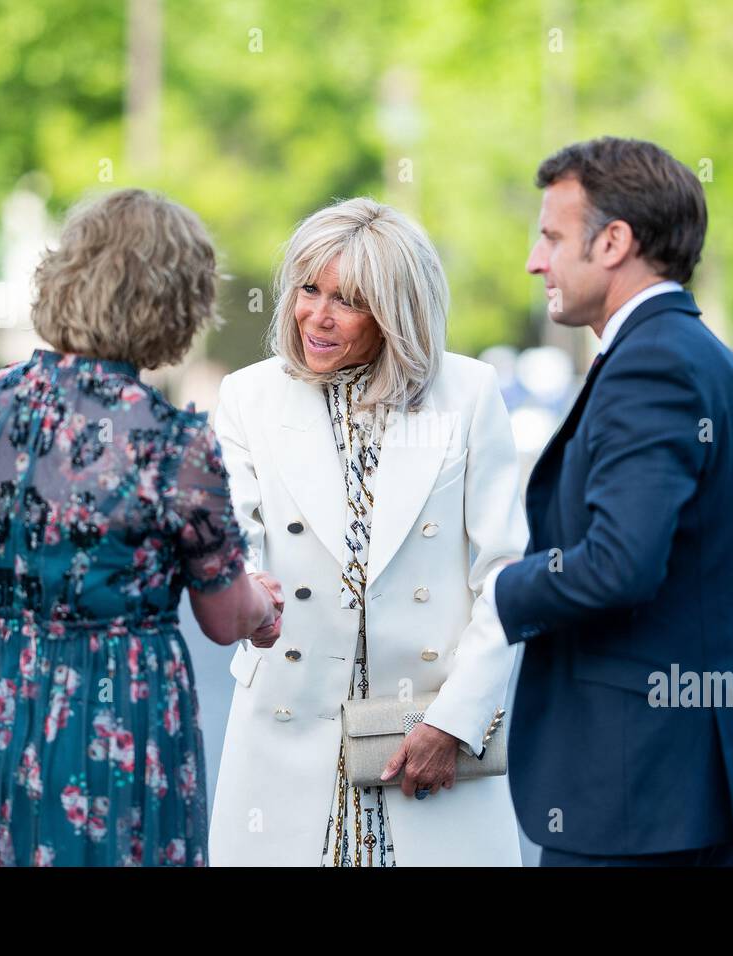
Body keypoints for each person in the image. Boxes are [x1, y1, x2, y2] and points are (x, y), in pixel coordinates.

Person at [0, 189, 282, 867]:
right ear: (178, 305)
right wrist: (264, 607)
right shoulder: (171, 444)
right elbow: (223, 614)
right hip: (114, 708)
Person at [490, 137, 733, 866]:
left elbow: (621, 563)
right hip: (672, 780)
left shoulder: (652, 363)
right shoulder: (699, 355)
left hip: (634, 784)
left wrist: (496, 586)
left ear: (614, 242)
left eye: (552, 237)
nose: (536, 260)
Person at [208, 197, 526, 866]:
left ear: (395, 311)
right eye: (308, 288)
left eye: (347, 300)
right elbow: (235, 536)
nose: (315, 316)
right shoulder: (247, 396)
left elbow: (504, 575)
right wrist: (245, 585)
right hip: (285, 732)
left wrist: (455, 721)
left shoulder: (468, 394)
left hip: (426, 740)